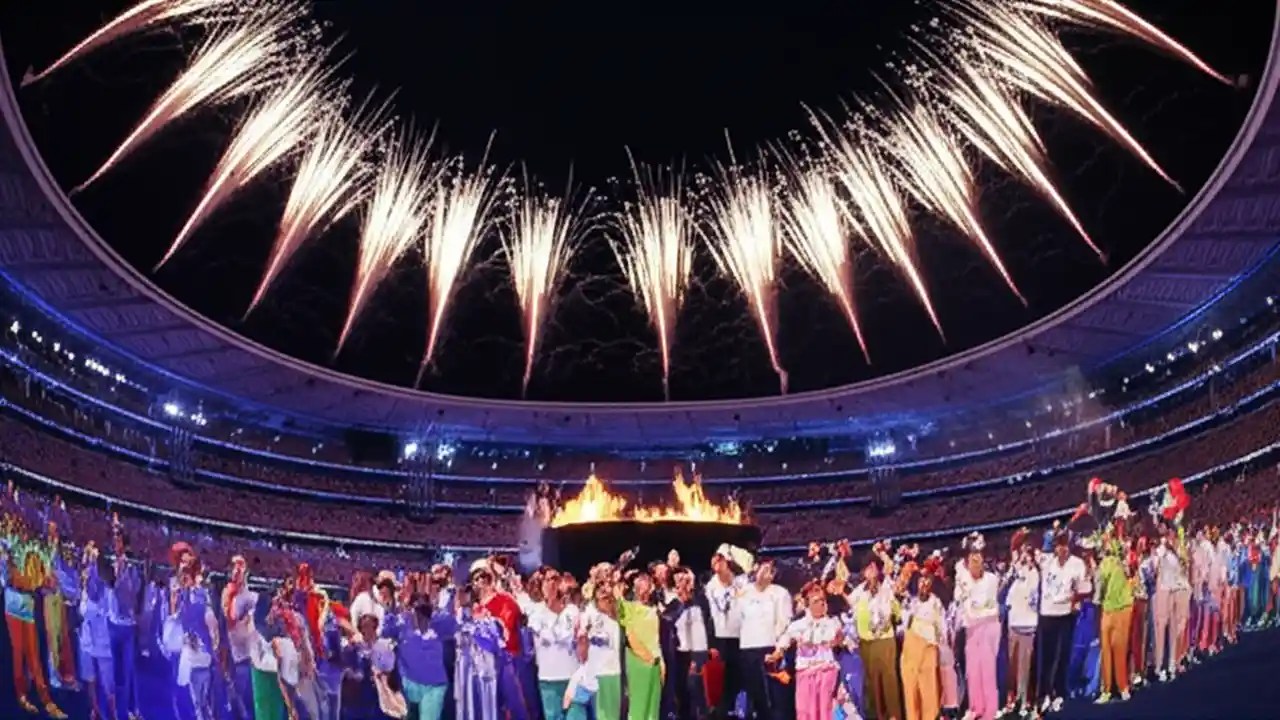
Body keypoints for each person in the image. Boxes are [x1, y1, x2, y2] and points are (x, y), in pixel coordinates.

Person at [770, 581, 842, 720]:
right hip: (805, 672)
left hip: (826, 671)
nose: (821, 604)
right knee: (805, 710)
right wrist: (776, 653)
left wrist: (838, 640)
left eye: (823, 600)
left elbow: (839, 639)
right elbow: (785, 640)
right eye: (816, 601)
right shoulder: (798, 625)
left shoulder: (833, 623)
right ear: (808, 604)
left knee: (825, 709)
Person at [736, 559, 792, 720]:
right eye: (763, 568)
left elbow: (785, 624)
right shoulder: (744, 592)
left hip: (769, 650)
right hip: (747, 649)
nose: (764, 573)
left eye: (770, 571)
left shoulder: (780, 593)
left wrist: (779, 649)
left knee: (772, 701)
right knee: (753, 698)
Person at [1035, 533, 1085, 715]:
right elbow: (1028, 551)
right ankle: (1045, 694)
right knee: (1046, 657)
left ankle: (1059, 693)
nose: (1062, 549)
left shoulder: (1077, 564)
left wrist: (1076, 599)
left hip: (1065, 614)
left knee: (1063, 654)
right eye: (1058, 545)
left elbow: (1084, 588)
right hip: (1047, 614)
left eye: (1065, 545)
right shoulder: (1046, 561)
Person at [847, 555, 902, 720]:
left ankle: (894, 716)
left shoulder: (887, 589)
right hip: (866, 642)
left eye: (874, 567)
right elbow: (852, 611)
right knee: (872, 683)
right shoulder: (858, 593)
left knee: (889, 681)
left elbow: (897, 613)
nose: (871, 571)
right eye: (868, 568)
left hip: (885, 640)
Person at [528, 568, 581, 720]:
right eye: (547, 580)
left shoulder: (572, 611)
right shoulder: (535, 612)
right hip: (548, 678)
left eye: (555, 579)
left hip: (572, 677)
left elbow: (568, 637)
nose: (551, 584)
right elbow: (549, 636)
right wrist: (549, 605)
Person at [957, 549, 1000, 720]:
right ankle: (976, 707)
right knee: (972, 670)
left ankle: (990, 710)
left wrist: (976, 610)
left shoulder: (991, 579)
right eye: (972, 562)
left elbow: (989, 605)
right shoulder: (963, 580)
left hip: (988, 627)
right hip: (971, 629)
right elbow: (962, 604)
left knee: (987, 669)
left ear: (983, 563)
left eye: (978, 561)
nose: (975, 565)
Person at [618, 569, 663, 720]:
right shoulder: (628, 607)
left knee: (653, 707)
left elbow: (656, 638)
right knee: (638, 706)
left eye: (647, 589)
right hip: (637, 661)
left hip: (655, 662)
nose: (644, 593)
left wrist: (661, 662)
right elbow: (615, 597)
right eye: (640, 589)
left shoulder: (654, 611)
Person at [1095, 534, 1133, 704]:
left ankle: (1118, 687)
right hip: (1111, 609)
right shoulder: (1108, 564)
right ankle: (1112, 688)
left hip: (1120, 608)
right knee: (1112, 649)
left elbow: (1100, 587)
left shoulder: (1117, 563)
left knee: (1116, 648)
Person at [580, 578, 623, 720]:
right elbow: (582, 642)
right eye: (603, 596)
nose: (607, 600)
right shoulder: (589, 615)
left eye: (609, 597)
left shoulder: (618, 616)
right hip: (597, 673)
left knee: (614, 715)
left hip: (615, 672)